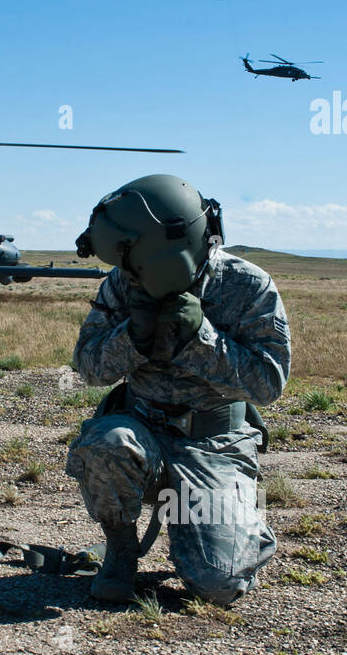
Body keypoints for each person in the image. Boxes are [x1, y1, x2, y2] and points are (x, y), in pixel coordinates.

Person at [66, 174, 291, 606]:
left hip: (215, 443)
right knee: (105, 443)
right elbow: (89, 366)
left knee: (217, 586)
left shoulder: (247, 286)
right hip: (142, 431)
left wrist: (200, 338)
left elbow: (268, 384)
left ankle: (228, 523)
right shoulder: (123, 281)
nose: (128, 276)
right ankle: (121, 548)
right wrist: (133, 337)